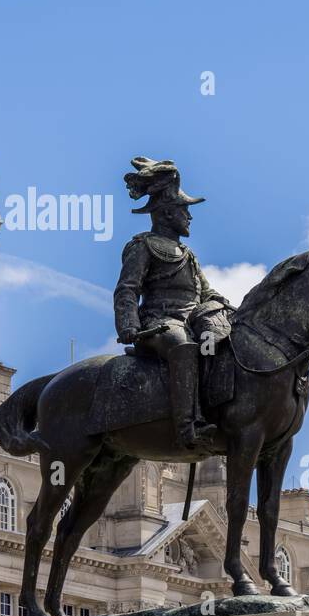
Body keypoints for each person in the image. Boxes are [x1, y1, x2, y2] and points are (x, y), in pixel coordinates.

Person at [113, 157, 231, 450]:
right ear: (166, 213)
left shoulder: (187, 253)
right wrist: (129, 324)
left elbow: (206, 292)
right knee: (184, 347)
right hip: (159, 324)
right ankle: (186, 427)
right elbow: (127, 289)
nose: (189, 217)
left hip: (193, 321)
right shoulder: (143, 246)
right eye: (184, 210)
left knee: (226, 344)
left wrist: (226, 307)